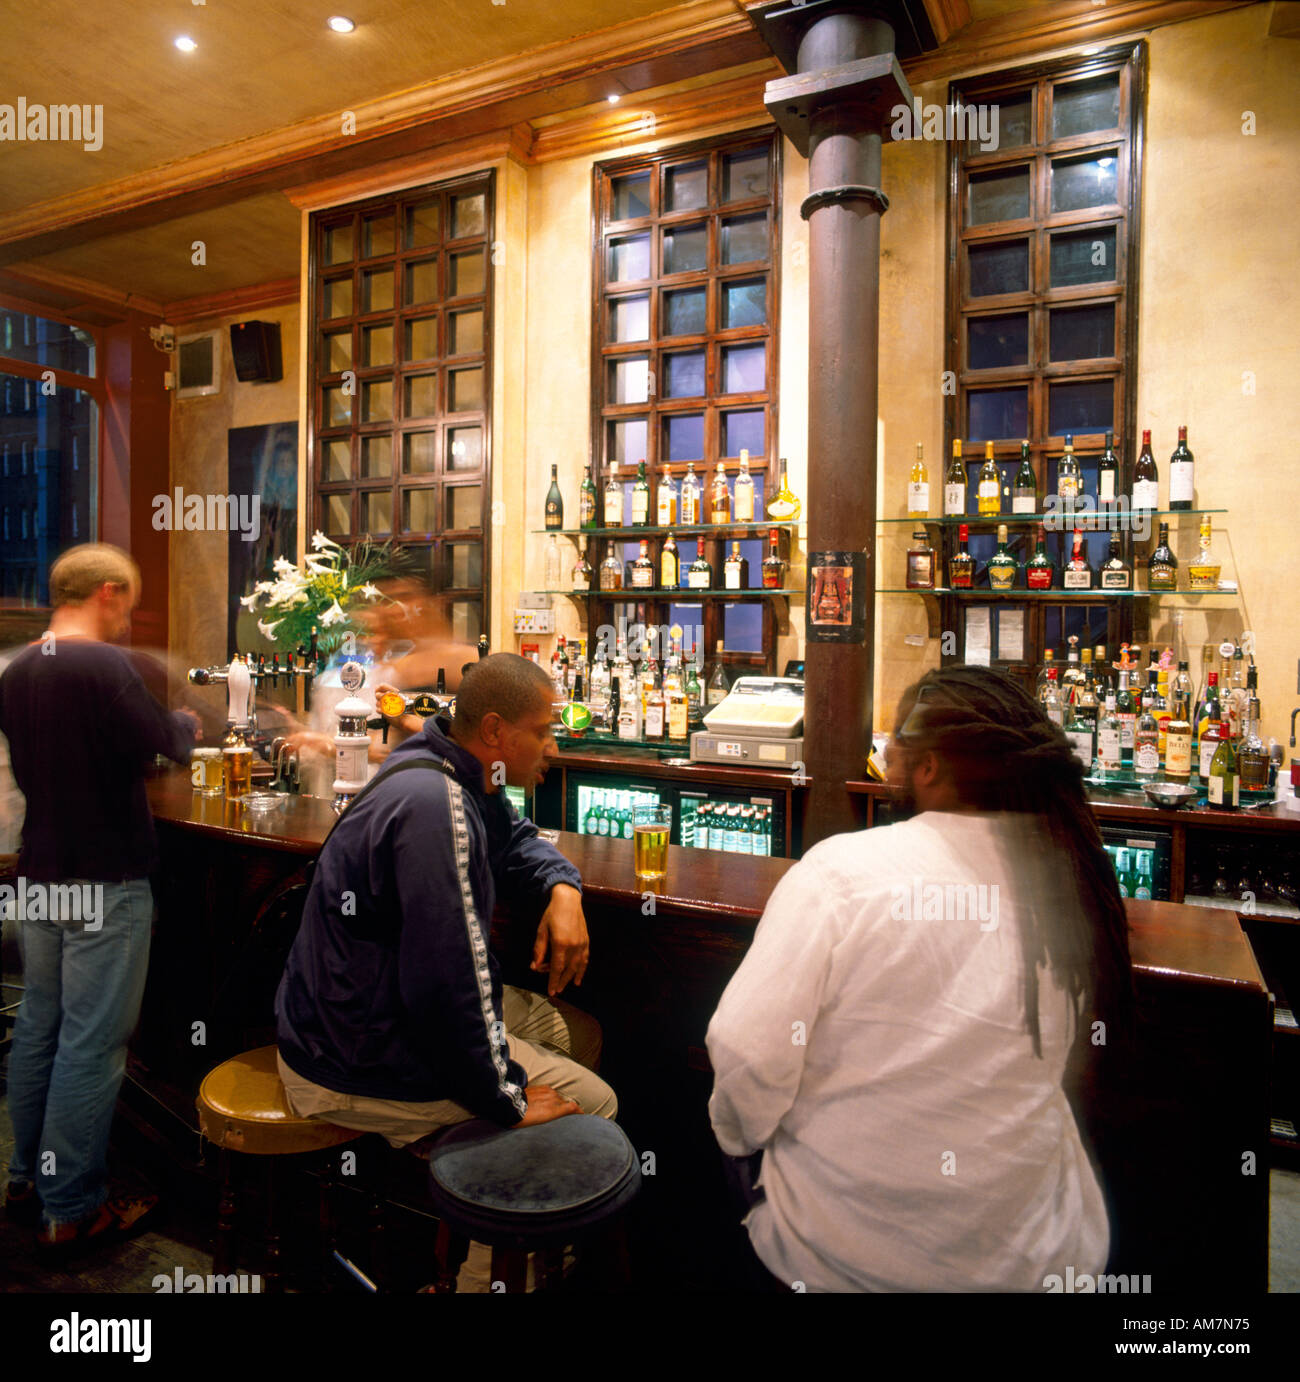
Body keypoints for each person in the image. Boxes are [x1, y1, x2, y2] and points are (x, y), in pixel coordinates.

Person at [707, 665, 1132, 1292]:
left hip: (843, 1259)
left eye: (896, 743)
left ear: (929, 767)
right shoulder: (1072, 880)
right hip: (1040, 1254)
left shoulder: (840, 874)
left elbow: (744, 1051)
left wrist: (745, 1145)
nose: (886, 756)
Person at [276, 650, 616, 1141]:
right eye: (542, 731)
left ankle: (483, 1173)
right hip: (355, 1060)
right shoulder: (436, 806)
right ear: (496, 730)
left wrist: (563, 888)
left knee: (581, 1034)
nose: (554, 747)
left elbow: (516, 839)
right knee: (599, 1102)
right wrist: (507, 1099)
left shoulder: (456, 765)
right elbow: (444, 982)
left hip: (357, 1017)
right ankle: (480, 1200)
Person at [0, 544, 200, 1253]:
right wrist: (186, 723)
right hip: (105, 879)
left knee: (40, 1030)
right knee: (90, 1045)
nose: (127, 620)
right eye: (129, 602)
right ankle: (74, 1207)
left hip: (41, 873)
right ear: (109, 592)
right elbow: (166, 743)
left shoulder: (19, 669)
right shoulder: (104, 666)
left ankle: (26, 1178)